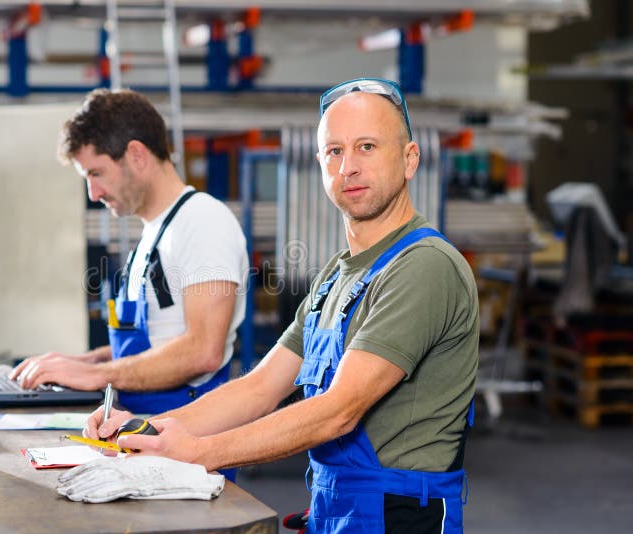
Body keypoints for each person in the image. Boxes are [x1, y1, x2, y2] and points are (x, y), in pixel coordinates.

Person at [85, 78, 479, 533]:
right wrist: (145, 428)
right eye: (334, 151)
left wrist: (201, 451)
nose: (348, 167)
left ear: (410, 159)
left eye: (367, 147)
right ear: (319, 164)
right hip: (338, 509)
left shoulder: (424, 266)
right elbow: (259, 389)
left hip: (401, 518)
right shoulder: (338, 274)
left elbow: (338, 411)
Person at [11, 89, 249, 416]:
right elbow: (159, 339)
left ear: (136, 155)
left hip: (186, 440)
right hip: (143, 428)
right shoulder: (153, 236)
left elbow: (203, 350)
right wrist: (87, 360)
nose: (93, 194)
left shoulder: (203, 221)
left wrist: (95, 375)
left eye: (96, 173)